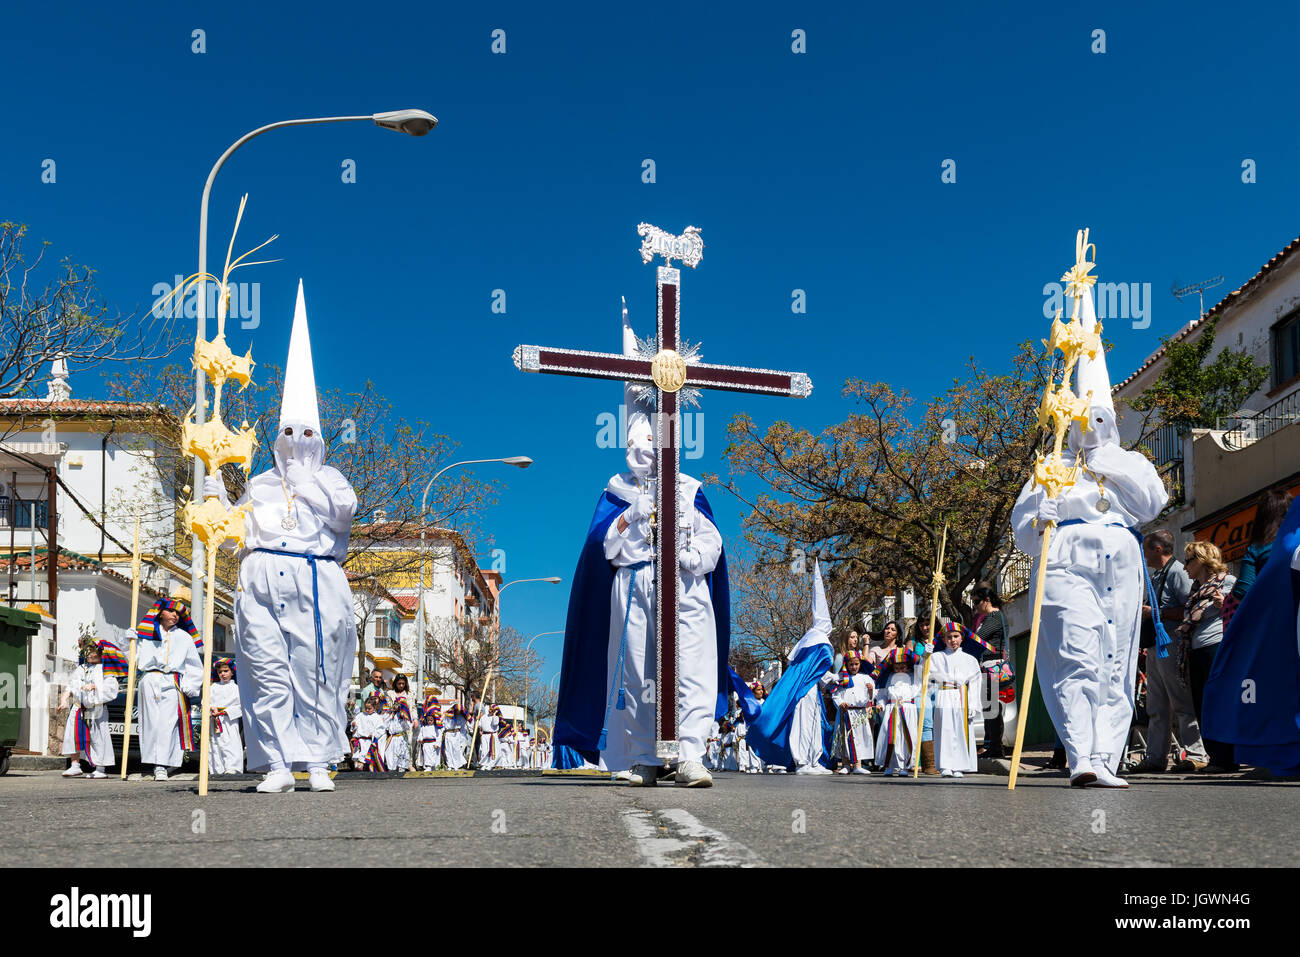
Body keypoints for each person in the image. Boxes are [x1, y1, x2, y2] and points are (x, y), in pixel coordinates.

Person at [553, 306, 730, 789]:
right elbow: (603, 548)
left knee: (691, 665)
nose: (648, 449)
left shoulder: (690, 488)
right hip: (634, 586)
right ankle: (646, 755)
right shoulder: (615, 492)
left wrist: (694, 557)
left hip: (685, 585)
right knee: (637, 672)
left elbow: (713, 540)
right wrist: (632, 514)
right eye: (640, 442)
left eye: (657, 439)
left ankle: (690, 753)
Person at [205, 281, 359, 794]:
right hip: (261, 575)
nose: (295, 444)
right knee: (266, 668)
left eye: (305, 434)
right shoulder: (259, 485)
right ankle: (276, 764)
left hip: (314, 576)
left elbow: (343, 514)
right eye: (287, 434)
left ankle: (317, 761)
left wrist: (306, 483)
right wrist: (216, 501)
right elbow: (233, 537)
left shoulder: (330, 478)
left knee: (314, 670)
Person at [1010, 286, 1167, 788]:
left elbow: (1150, 505)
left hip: (1120, 556)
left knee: (1116, 658)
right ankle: (1080, 753)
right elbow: (1024, 535)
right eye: (1082, 420)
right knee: (1076, 653)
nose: (1089, 427)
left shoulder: (1128, 461)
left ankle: (1106, 756)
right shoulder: (1052, 464)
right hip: (1066, 558)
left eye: (1098, 419)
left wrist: (1108, 467)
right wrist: (1042, 514)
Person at [1202, 494, 1300, 778]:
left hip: (1267, 632)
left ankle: (1268, 752)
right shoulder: (1291, 540)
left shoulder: (1260, 547)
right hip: (1291, 625)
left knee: (1263, 693)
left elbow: (1244, 588)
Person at [1135, 530, 1203, 772]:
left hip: (1172, 644)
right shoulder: (1157, 576)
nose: (1143, 555)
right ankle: (1155, 758)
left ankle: (1196, 754)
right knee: (1156, 706)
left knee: (1182, 702)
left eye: (1146, 550)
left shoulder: (1175, 573)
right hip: (1157, 647)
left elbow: (1190, 607)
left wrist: (1155, 613)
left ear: (1158, 550)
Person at [1176, 541, 1236, 773]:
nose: (1184, 567)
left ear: (1202, 560)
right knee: (1203, 705)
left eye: (1188, 560)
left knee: (1218, 704)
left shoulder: (1227, 582)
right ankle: (1216, 756)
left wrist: (1227, 605)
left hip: (1216, 647)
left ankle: (1226, 758)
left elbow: (1241, 611)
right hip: (1196, 650)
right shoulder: (1195, 590)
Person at [130, 595, 204, 781]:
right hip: (149, 679)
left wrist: (189, 686)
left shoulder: (184, 637)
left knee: (167, 723)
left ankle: (162, 764)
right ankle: (153, 761)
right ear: (160, 613)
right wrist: (129, 642)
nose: (175, 615)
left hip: (172, 681)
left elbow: (194, 665)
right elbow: (132, 660)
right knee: (150, 722)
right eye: (171, 611)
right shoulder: (145, 634)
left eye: (178, 613)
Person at [60, 635, 125, 779]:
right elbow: (70, 686)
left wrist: (95, 686)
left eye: (92, 650)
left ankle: (100, 768)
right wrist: (64, 699)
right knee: (73, 735)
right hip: (78, 707)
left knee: (98, 737)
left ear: (101, 653)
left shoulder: (106, 670)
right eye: (87, 650)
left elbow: (111, 690)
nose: (89, 653)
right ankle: (75, 765)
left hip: (96, 709)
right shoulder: (81, 668)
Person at [929, 624, 982, 777]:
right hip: (944, 693)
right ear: (944, 639)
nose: (953, 640)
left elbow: (975, 682)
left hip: (961, 695)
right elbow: (924, 675)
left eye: (956, 636)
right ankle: (945, 765)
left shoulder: (970, 659)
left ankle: (959, 765)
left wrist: (973, 704)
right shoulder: (936, 657)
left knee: (960, 729)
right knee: (944, 730)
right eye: (949, 637)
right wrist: (925, 658)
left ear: (962, 638)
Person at [969, 584, 1008, 758]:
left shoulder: (994, 617)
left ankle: (996, 748)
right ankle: (993, 746)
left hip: (992, 667)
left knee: (992, 708)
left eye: (977, 602)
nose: (975, 606)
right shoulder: (989, 618)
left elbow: (979, 638)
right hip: (987, 667)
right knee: (989, 708)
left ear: (987, 600)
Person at [873, 648, 921, 775]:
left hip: (907, 709)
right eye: (897, 667)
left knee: (906, 737)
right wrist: (880, 704)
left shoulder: (913, 676)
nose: (900, 670)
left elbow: (922, 672)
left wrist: (925, 656)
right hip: (891, 710)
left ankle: (904, 766)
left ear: (907, 666)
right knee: (890, 736)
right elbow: (882, 693)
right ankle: (889, 765)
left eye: (903, 667)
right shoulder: (888, 678)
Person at [830, 650, 874, 774]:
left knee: (858, 738)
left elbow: (871, 696)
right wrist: (840, 703)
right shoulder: (842, 678)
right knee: (844, 737)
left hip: (859, 714)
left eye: (856, 664)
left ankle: (858, 765)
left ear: (860, 664)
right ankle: (845, 764)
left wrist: (870, 691)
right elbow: (835, 694)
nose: (853, 667)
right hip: (845, 713)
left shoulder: (865, 678)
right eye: (851, 664)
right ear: (846, 665)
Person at [208, 657, 245, 775]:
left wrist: (227, 712)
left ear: (232, 672)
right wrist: (211, 708)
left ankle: (232, 767)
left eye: (225, 671)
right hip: (215, 719)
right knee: (215, 743)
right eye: (220, 672)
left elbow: (241, 706)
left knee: (230, 742)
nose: (223, 674)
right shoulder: (213, 687)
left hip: (229, 720)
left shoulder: (236, 688)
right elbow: (206, 701)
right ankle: (217, 768)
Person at [442, 704, 471, 770]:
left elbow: (463, 728)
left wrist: (462, 738)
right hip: (449, 734)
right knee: (448, 751)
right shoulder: (447, 716)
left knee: (456, 751)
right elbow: (443, 725)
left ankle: (456, 765)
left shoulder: (461, 717)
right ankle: (450, 765)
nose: (458, 712)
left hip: (457, 735)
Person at [418, 696, 443, 770]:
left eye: (431, 720)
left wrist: (437, 744)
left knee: (434, 756)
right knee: (427, 756)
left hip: (433, 744)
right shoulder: (424, 727)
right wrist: (420, 739)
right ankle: (428, 767)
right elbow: (421, 734)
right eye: (428, 720)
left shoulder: (436, 727)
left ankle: (434, 768)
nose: (430, 721)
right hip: (426, 744)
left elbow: (439, 736)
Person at [477, 704, 501, 770]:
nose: (490, 710)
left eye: (492, 709)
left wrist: (494, 715)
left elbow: (495, 724)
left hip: (492, 735)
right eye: (490, 709)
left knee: (493, 751)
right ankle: (484, 764)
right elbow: (480, 725)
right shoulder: (483, 717)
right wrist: (480, 731)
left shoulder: (496, 717)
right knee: (484, 750)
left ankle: (491, 765)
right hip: (484, 735)